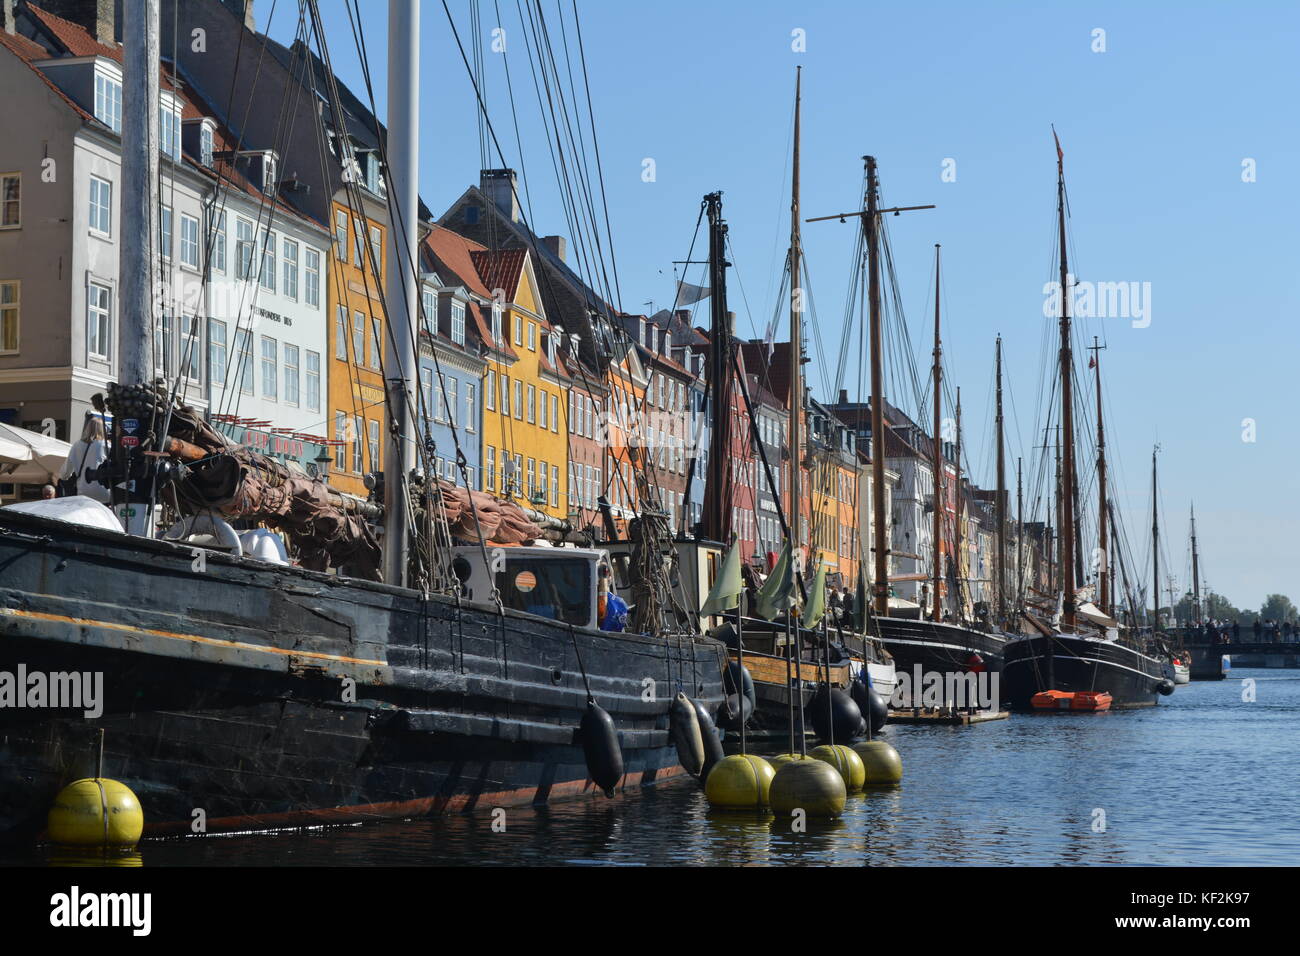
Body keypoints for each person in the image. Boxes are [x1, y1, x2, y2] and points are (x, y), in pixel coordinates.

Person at [58, 414, 110, 503]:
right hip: (104, 492)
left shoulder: (77, 445)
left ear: (87, 429)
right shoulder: (106, 445)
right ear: (103, 430)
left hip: (83, 493)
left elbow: (64, 473)